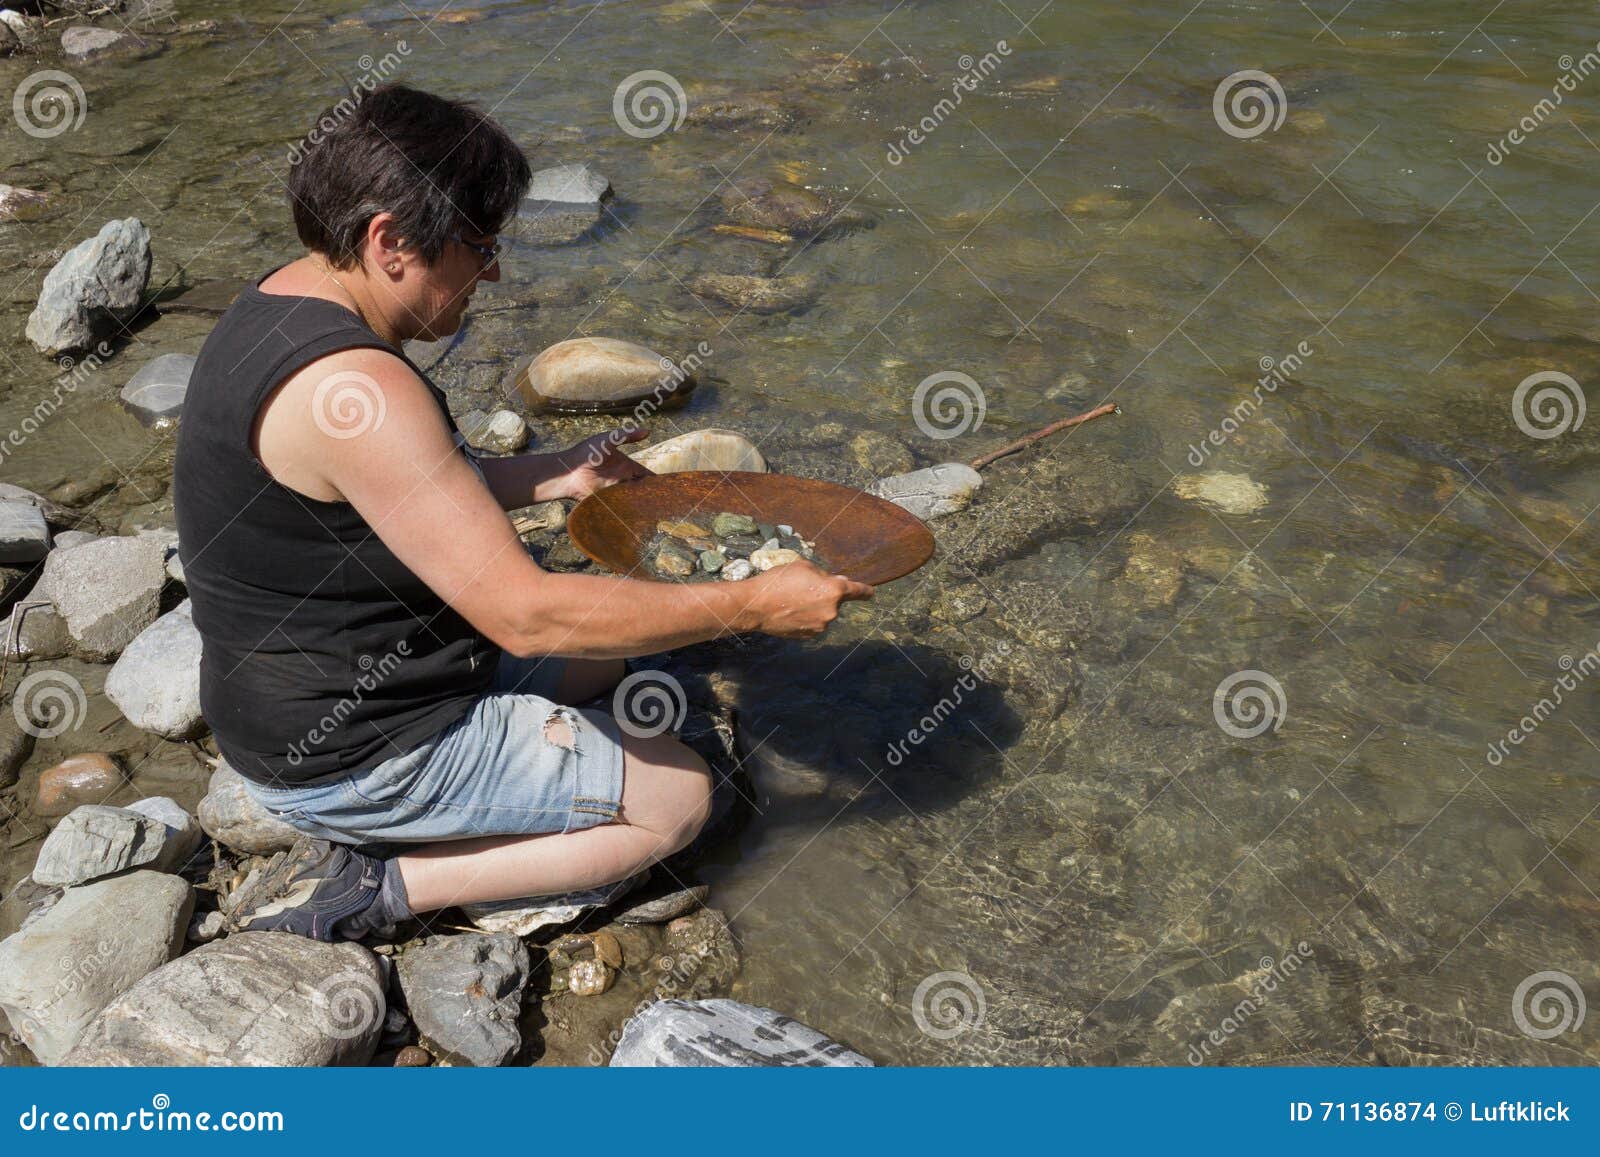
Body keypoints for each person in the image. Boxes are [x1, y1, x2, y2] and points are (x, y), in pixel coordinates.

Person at [172, 84, 871, 942]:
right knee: (679, 798)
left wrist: (558, 473)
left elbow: (397, 490)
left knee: (610, 665)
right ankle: (385, 889)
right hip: (347, 752)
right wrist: (754, 603)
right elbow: (526, 615)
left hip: (312, 693)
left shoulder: (283, 302)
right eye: (478, 243)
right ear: (390, 242)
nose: (493, 270)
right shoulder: (360, 391)